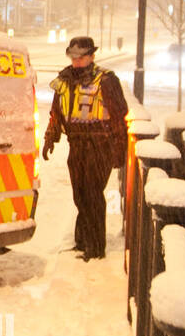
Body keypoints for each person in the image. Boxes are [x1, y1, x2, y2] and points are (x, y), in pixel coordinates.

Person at [42, 35, 129, 261]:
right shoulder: (64, 80)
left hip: (100, 144)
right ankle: (82, 242)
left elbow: (120, 116)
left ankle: (96, 247)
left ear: (91, 56)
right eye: (73, 57)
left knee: (92, 195)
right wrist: (50, 137)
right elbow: (56, 112)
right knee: (80, 195)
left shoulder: (106, 80)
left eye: (81, 57)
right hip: (77, 145)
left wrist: (120, 148)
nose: (77, 62)